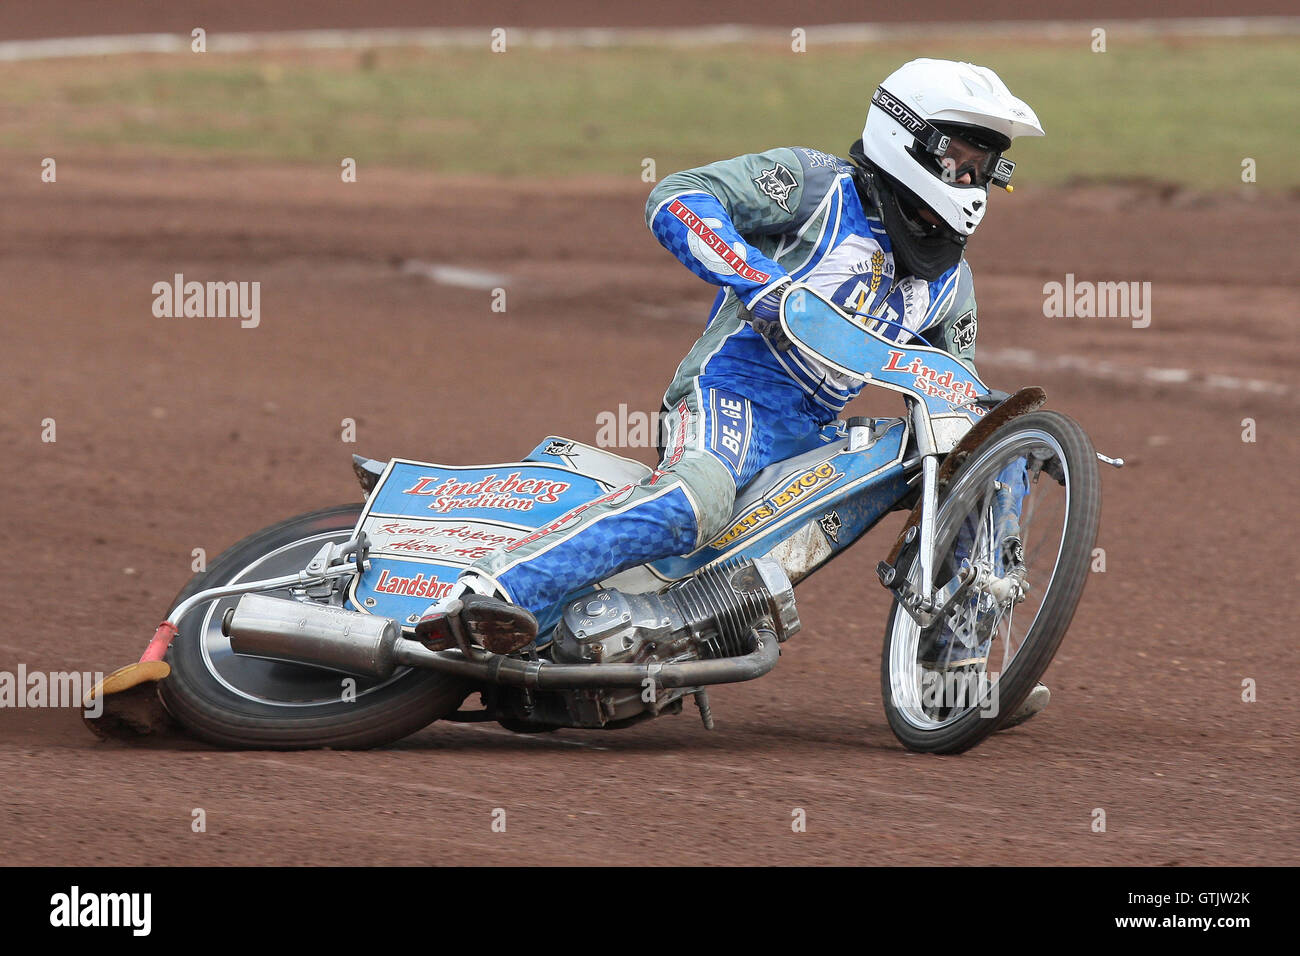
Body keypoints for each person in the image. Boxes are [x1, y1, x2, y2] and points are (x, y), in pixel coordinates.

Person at [418, 59, 1046, 697]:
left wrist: (1008, 451)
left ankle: (953, 673)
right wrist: (756, 278)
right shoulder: (815, 186)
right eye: (959, 160)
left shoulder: (953, 284)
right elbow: (678, 197)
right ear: (906, 137)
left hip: (815, 435)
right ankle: (491, 589)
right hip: (727, 398)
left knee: (984, 450)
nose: (972, 182)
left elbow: (956, 395)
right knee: (699, 504)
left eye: (987, 167)